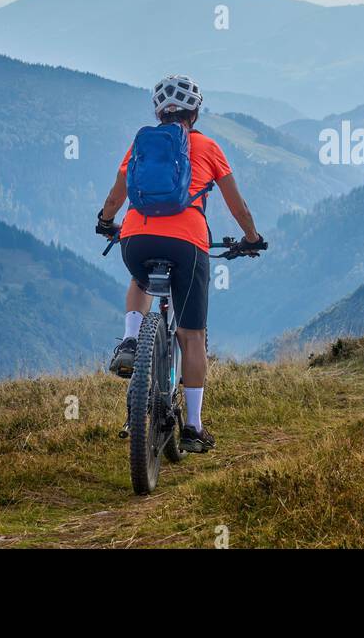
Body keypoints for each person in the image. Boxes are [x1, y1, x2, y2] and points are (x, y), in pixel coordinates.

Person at [94, 74, 261, 453]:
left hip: (137, 237)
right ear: (195, 111)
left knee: (140, 279)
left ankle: (132, 340)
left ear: (158, 111)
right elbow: (238, 205)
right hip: (188, 243)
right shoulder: (208, 147)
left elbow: (116, 195)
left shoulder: (142, 145)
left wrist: (106, 223)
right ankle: (193, 426)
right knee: (191, 336)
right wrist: (251, 238)